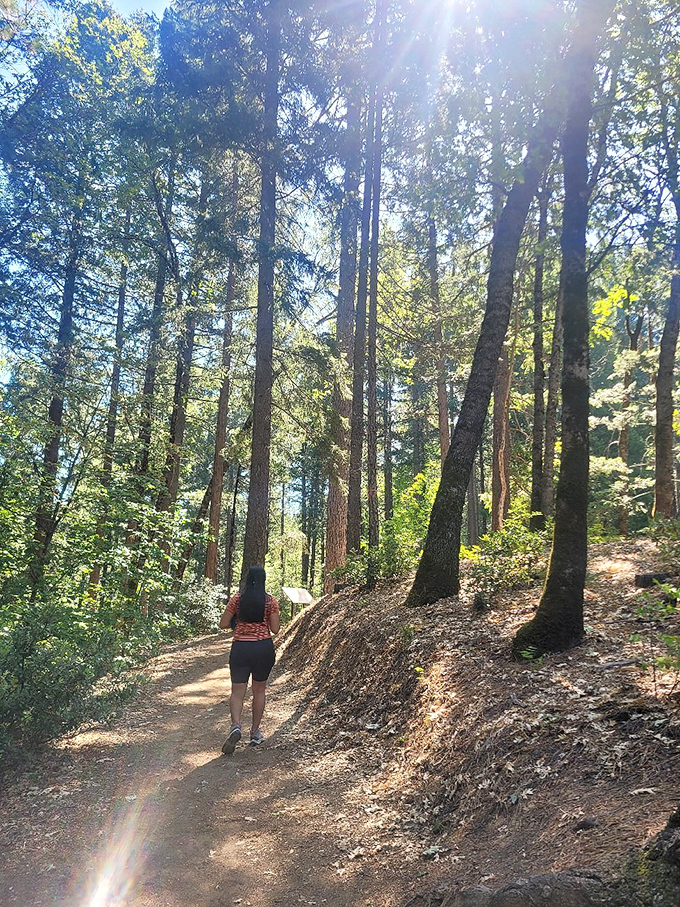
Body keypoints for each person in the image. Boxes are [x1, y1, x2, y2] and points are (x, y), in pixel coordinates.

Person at [219, 565, 280, 754]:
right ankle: (254, 732)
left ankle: (236, 725)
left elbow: (222, 624)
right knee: (259, 690)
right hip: (262, 648)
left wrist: (237, 622)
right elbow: (276, 629)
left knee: (237, 691)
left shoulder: (237, 599)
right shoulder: (270, 601)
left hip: (241, 648)